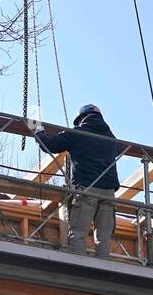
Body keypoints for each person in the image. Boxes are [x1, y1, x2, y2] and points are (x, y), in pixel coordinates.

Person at [30, 104, 122, 258]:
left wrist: (38, 131)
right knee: (104, 238)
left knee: (77, 234)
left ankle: (80, 268)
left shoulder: (78, 133)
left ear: (81, 119)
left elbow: (51, 145)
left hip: (86, 188)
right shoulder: (112, 140)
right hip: (108, 193)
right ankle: (104, 271)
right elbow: (117, 151)